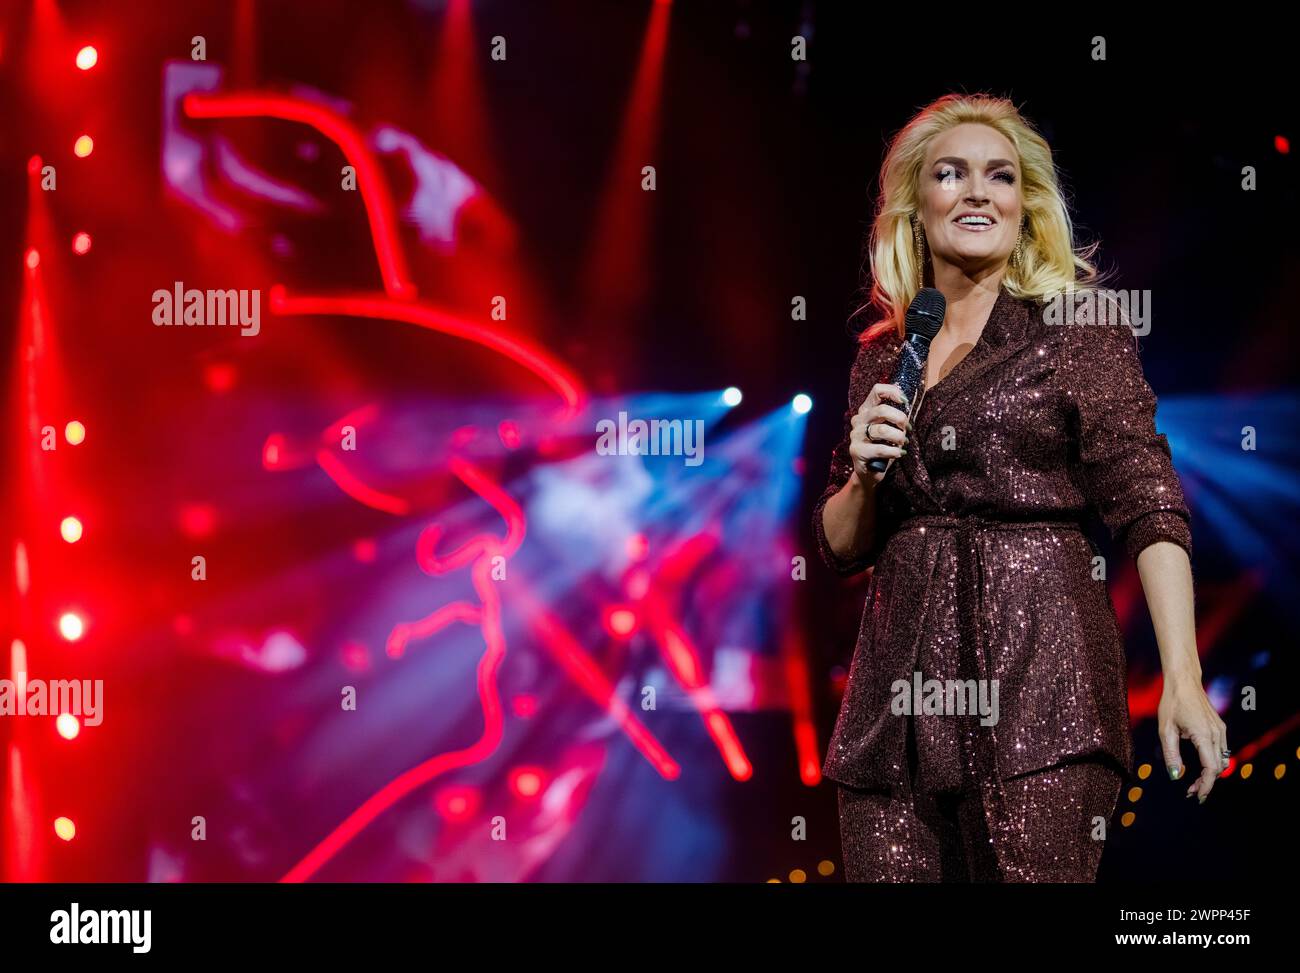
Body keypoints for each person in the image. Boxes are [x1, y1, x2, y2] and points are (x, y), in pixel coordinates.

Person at [812, 93, 1228, 882]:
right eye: (951, 172)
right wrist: (864, 477)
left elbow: (1148, 503)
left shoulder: (1077, 327)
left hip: (1043, 697)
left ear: (1024, 205)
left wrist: (1183, 677)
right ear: (915, 204)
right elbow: (839, 544)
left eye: (1000, 176)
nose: (978, 192)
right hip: (892, 718)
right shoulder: (882, 355)